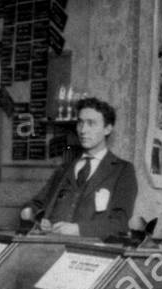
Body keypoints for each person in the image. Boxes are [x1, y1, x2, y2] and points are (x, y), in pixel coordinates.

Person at [20, 97, 137, 237]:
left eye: (91, 123)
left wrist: (78, 229)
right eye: (80, 123)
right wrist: (34, 217)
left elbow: (120, 224)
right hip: (50, 246)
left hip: (89, 252)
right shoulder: (65, 168)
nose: (83, 130)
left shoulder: (122, 170)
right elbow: (35, 205)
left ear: (107, 129)